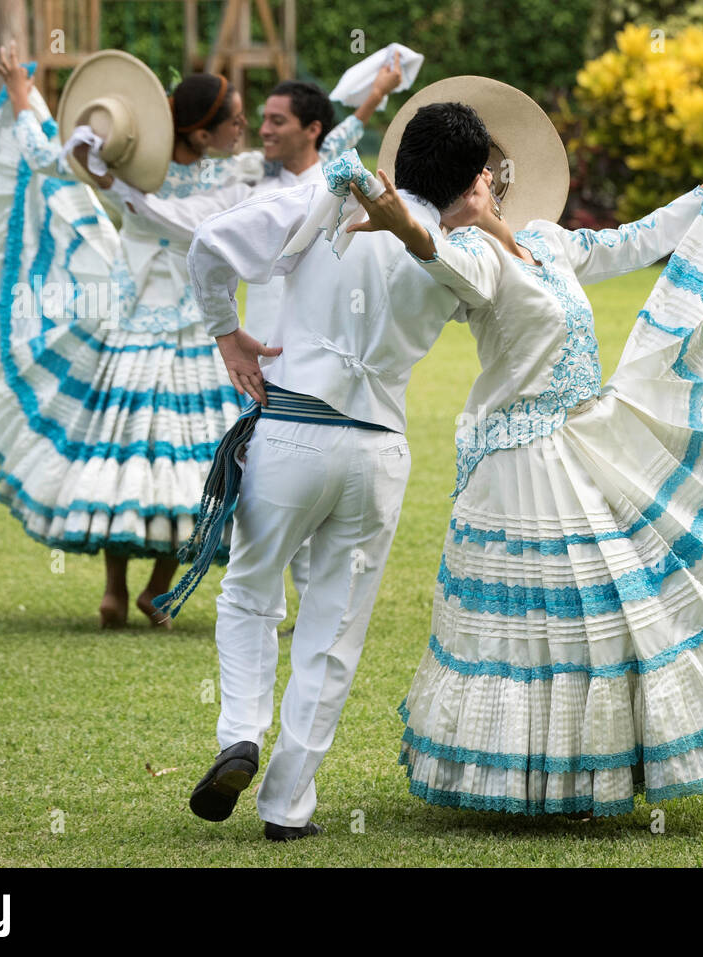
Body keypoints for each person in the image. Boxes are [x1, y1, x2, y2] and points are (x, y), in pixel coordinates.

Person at [349, 87, 703, 818]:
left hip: (577, 442)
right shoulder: (473, 255)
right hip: (522, 463)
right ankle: (539, 778)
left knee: (610, 609)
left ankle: (589, 774)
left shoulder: (548, 244)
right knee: (547, 624)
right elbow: (450, 266)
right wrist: (411, 228)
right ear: (477, 179)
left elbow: (638, 238)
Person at [157, 104, 494, 841]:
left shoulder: (331, 194)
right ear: (471, 181)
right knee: (332, 633)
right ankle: (287, 806)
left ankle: (240, 732)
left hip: (292, 430)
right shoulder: (459, 253)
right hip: (377, 451)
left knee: (250, 594)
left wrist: (228, 335)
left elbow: (211, 242)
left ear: (399, 152)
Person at [0, 44, 266, 628]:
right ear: (200, 132)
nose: (243, 130)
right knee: (128, 448)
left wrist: (112, 183)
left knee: (191, 459)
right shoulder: (138, 153)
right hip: (140, 315)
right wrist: (27, 100)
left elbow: (189, 223)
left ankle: (154, 587)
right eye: (234, 122)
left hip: (197, 324)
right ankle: (116, 588)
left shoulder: (232, 175)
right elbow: (51, 161)